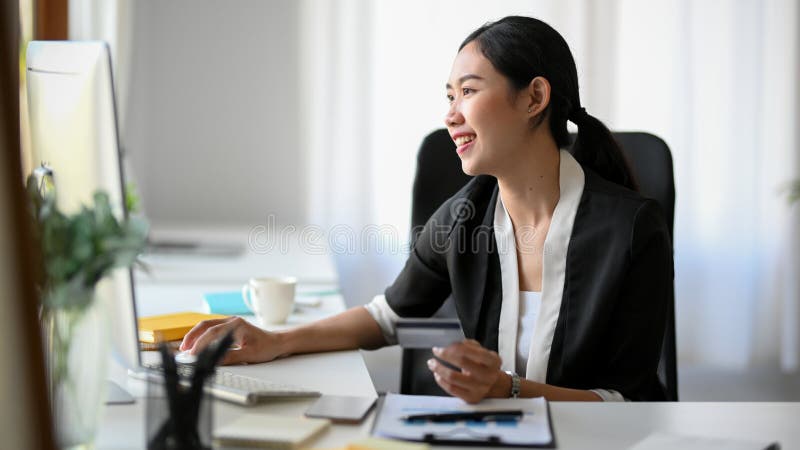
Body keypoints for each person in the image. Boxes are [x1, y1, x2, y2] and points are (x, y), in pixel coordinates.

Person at [180, 16, 673, 403]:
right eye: (449, 95)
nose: (450, 114)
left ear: (535, 98)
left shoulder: (631, 230)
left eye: (470, 91)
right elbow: (388, 317)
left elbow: (629, 402)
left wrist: (509, 390)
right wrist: (276, 340)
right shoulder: (464, 216)